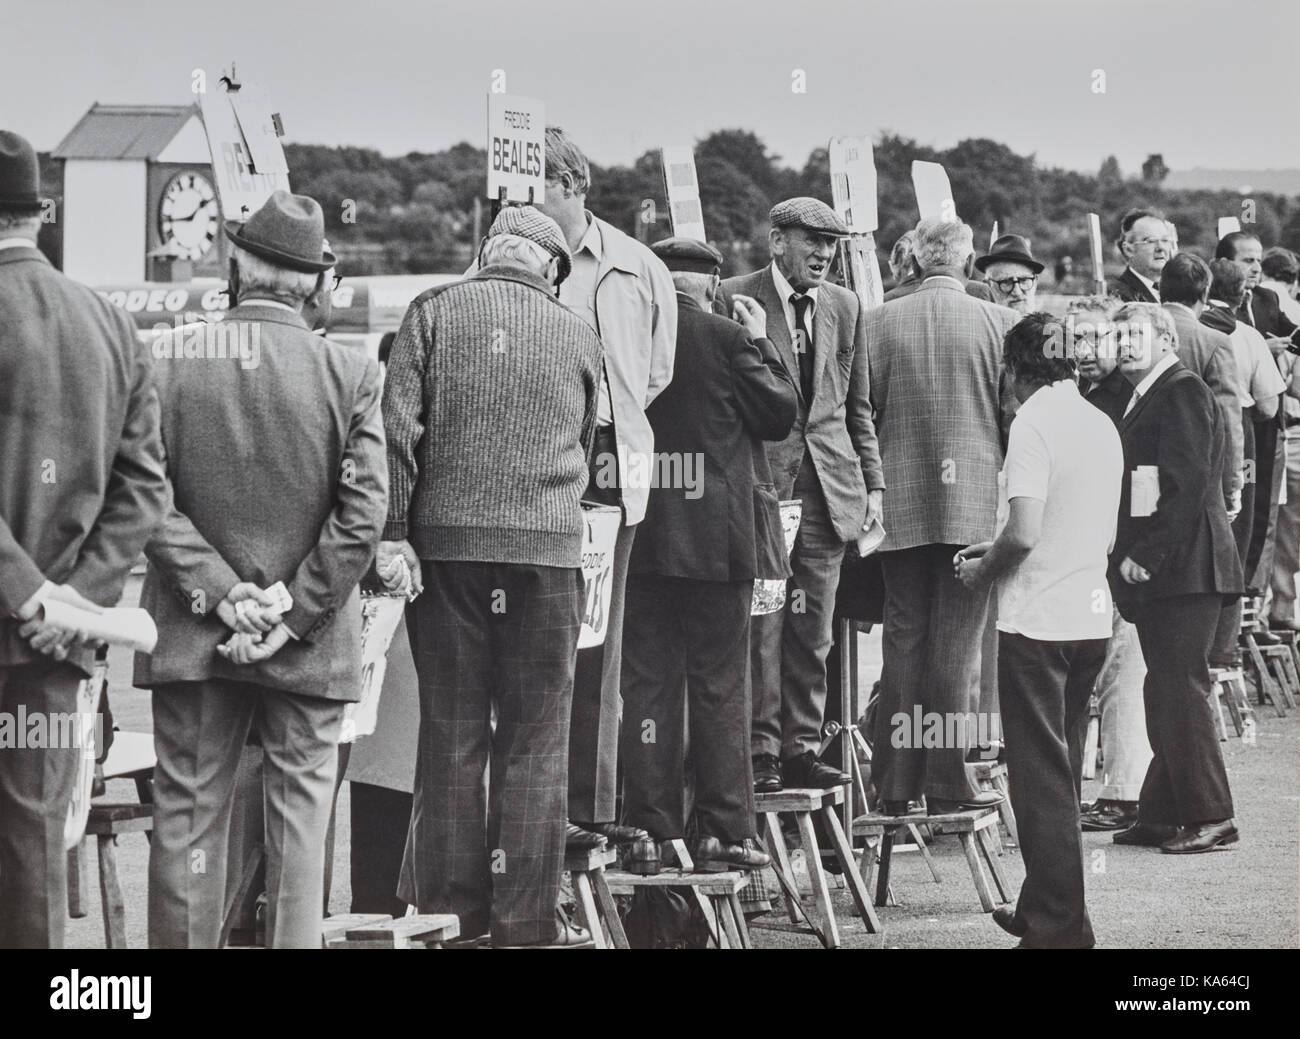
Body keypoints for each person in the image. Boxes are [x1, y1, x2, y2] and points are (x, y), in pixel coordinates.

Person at [137, 191, 387, 948]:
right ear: (313, 283)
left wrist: (221, 594)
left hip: (192, 633)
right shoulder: (350, 374)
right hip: (308, 645)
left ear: (237, 264)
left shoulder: (170, 361)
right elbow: (365, 514)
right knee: (300, 835)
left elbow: (145, 497)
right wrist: (289, 612)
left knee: (185, 826)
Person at [381, 205, 602, 946]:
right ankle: (525, 925)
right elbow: (585, 434)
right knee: (537, 739)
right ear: (549, 267)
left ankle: (453, 918)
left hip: (446, 555)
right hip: (546, 555)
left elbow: (397, 437)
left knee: (451, 735)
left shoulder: (432, 312)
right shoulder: (578, 332)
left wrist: (394, 534)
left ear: (485, 254)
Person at [0, 130, 168, 948]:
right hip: (55, 653)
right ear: (37, 213)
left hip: (32, 618)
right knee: (32, 850)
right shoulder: (109, 324)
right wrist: (72, 601)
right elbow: (145, 489)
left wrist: (26, 589)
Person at [620, 237, 795, 871]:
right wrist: (763, 340)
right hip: (719, 546)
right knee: (722, 686)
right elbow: (779, 415)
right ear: (714, 284)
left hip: (642, 539)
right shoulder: (727, 337)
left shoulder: (629, 337)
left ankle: (649, 828)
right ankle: (724, 828)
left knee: (647, 688)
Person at [956, 312, 1121, 948]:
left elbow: (1024, 533)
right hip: (1088, 615)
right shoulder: (1099, 421)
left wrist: (984, 569)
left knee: (1038, 779)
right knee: (1064, 764)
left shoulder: (1033, 423)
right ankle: (1043, 908)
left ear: (1015, 368)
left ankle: (1058, 930)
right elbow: (1070, 522)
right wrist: (995, 546)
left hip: (1039, 622)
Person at [533, 126, 677, 851]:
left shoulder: (637, 267)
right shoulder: (507, 265)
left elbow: (655, 373)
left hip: (612, 456)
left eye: (532, 187)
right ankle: (537, 800)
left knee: (600, 636)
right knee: (540, 636)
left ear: (568, 184)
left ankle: (588, 805)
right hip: (536, 461)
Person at [721, 197, 885, 793]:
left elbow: (857, 409)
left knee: (813, 627)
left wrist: (875, 486)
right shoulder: (734, 296)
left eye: (832, 244)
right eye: (811, 241)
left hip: (830, 492)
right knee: (762, 622)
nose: (823, 253)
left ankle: (802, 747)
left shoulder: (846, 305)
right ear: (776, 241)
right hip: (764, 489)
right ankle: (761, 749)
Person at [866, 216, 1014, 814]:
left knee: (904, 641)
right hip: (973, 505)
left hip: (898, 503)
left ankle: (895, 786)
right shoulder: (1001, 324)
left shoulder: (875, 324)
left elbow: (862, 415)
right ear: (966, 259)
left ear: (918, 260)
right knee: (957, 647)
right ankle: (948, 780)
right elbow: (1011, 419)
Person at [1108, 303, 1240, 854]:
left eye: (1137, 335)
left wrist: (1148, 554)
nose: (1126, 345)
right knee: (1164, 684)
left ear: (1166, 339)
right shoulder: (1149, 394)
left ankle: (1214, 815)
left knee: (1181, 687)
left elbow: (1184, 484)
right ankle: (1162, 812)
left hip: (1186, 567)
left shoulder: (1181, 390)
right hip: (1178, 566)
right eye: (1118, 338)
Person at [1068, 297, 1152, 833]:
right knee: (1095, 672)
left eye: (1096, 340)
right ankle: (1108, 789)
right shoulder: (1081, 395)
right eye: (1075, 340)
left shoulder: (1126, 399)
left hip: (1118, 554)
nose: (1085, 351)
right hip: (1088, 551)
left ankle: (1124, 792)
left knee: (1123, 670)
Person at [1108, 209, 1172, 303]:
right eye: (1150, 241)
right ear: (1128, 250)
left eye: (1165, 240)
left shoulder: (1175, 290)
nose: (1161, 247)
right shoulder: (1118, 296)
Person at [974, 233, 1042, 314]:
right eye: (1006, 282)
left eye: (1024, 280)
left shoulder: (1051, 326)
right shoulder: (979, 324)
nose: (1017, 292)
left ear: (1035, 282)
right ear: (988, 285)